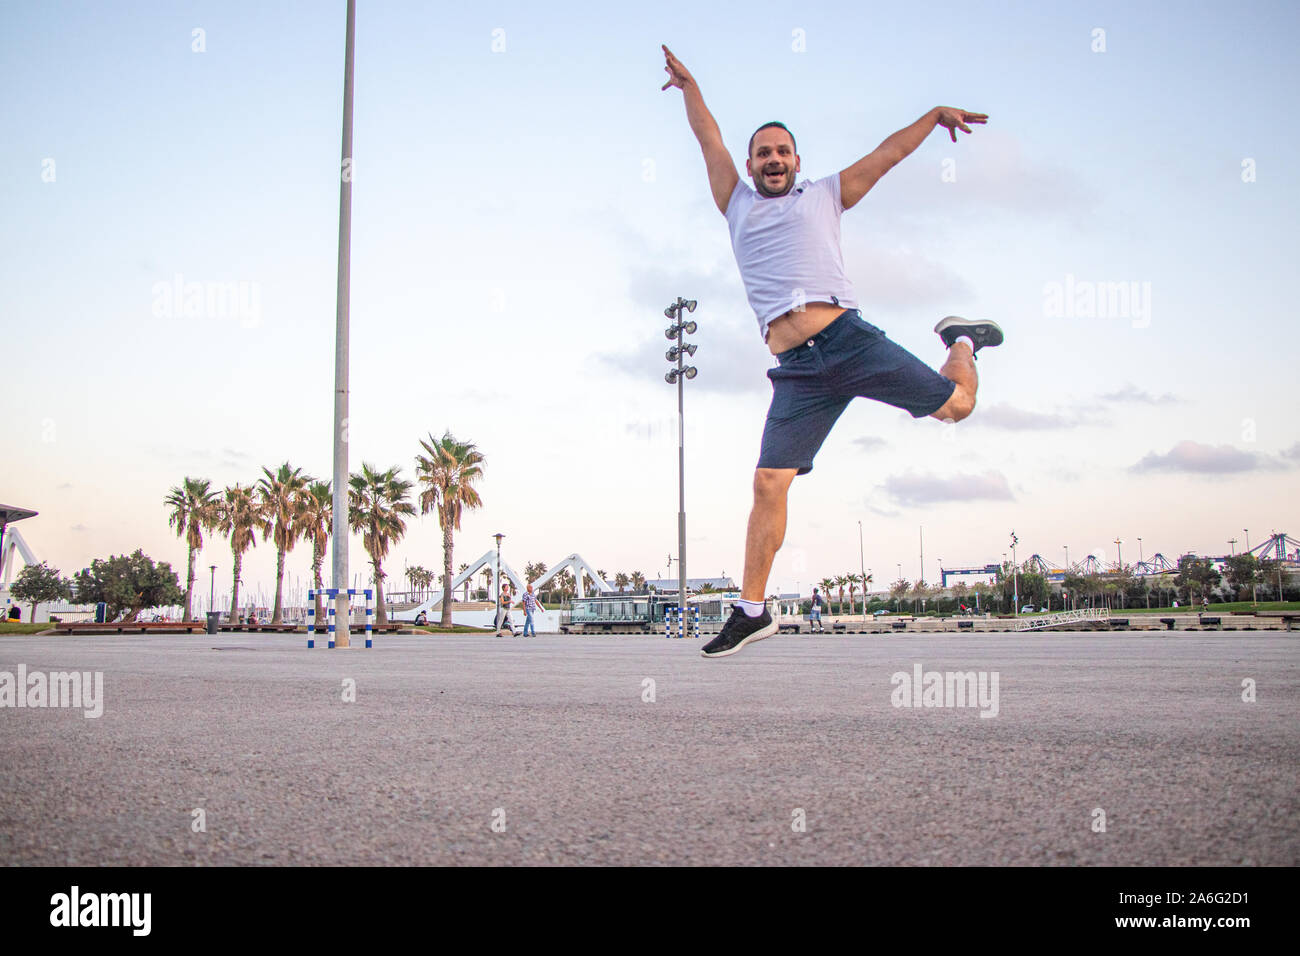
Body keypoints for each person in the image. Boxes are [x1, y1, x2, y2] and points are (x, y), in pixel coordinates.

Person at [661, 46, 1002, 658]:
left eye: (781, 152)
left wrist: (930, 116)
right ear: (749, 164)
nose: (772, 160)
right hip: (798, 371)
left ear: (797, 161)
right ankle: (753, 610)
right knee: (769, 480)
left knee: (958, 406)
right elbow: (706, 135)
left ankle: (962, 339)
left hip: (848, 341)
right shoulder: (733, 202)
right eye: (762, 153)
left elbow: (887, 154)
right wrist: (691, 87)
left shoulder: (825, 194)